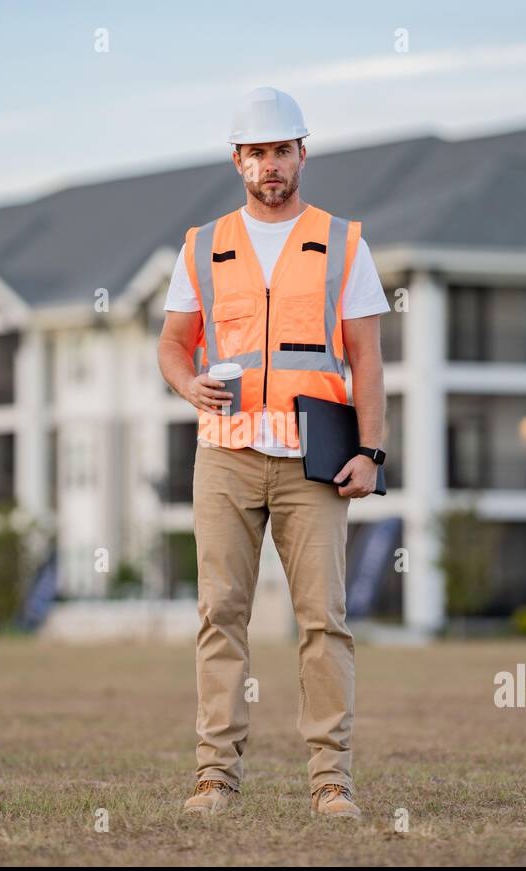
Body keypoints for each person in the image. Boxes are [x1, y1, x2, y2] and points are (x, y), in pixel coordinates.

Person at [156, 87, 391, 819]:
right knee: (219, 615)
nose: (269, 167)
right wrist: (189, 384)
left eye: (280, 151)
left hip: (312, 464)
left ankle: (332, 783)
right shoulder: (202, 245)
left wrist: (372, 453)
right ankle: (214, 779)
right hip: (225, 456)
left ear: (301, 154)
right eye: (255, 154)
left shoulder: (344, 242)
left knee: (324, 620)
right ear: (237, 161)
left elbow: (368, 359)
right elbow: (171, 343)